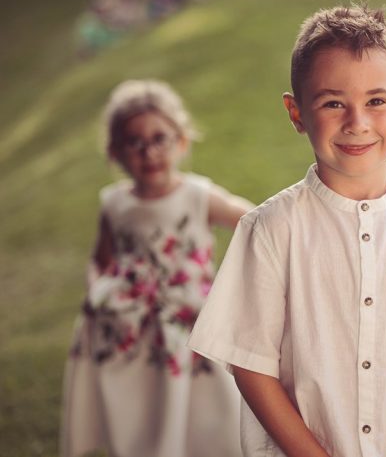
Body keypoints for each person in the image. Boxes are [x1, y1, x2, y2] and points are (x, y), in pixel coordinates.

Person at [188, 4, 386, 457]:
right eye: (333, 103)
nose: (357, 122)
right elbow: (250, 367)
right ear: (297, 112)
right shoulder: (270, 229)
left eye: (376, 101)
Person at [60, 79, 252, 457]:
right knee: (147, 398)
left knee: (206, 401)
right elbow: (101, 258)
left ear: (181, 142)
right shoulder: (114, 204)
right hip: (135, 323)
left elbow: (252, 220)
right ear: (116, 152)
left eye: (159, 139)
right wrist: (97, 293)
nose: (149, 151)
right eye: (135, 142)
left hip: (188, 317)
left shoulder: (198, 195)